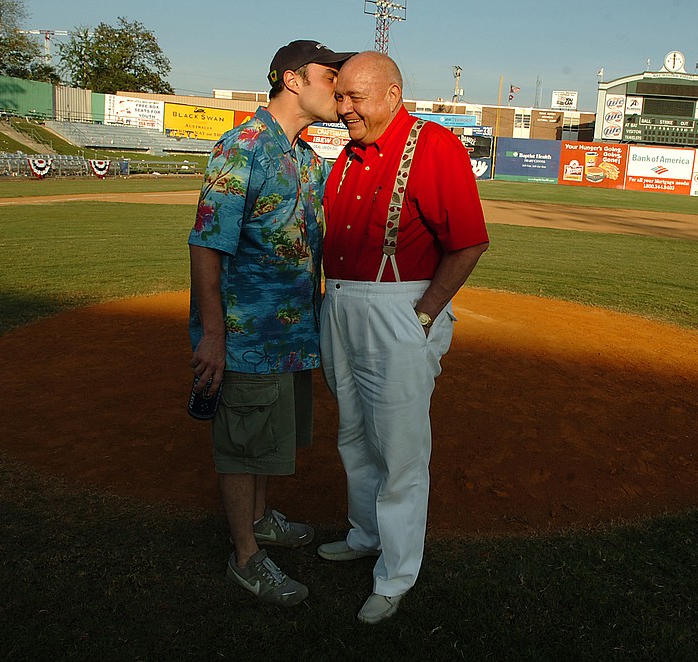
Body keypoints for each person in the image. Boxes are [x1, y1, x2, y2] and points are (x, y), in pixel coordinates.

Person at [317, 51, 490, 624]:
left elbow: (468, 240)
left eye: (354, 98)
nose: (343, 109)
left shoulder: (434, 145)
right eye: (339, 97)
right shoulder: (348, 154)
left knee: (400, 450)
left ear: (392, 94)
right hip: (341, 303)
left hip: (398, 307)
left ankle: (395, 575)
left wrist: (424, 314)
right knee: (353, 435)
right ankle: (366, 535)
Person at [187, 39, 352, 607]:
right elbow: (208, 245)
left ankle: (259, 519)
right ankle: (246, 557)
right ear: (292, 79)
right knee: (241, 443)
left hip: (289, 336)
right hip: (245, 335)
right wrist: (212, 334)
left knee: (266, 438)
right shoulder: (245, 147)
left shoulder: (305, 157)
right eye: (331, 76)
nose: (340, 86)